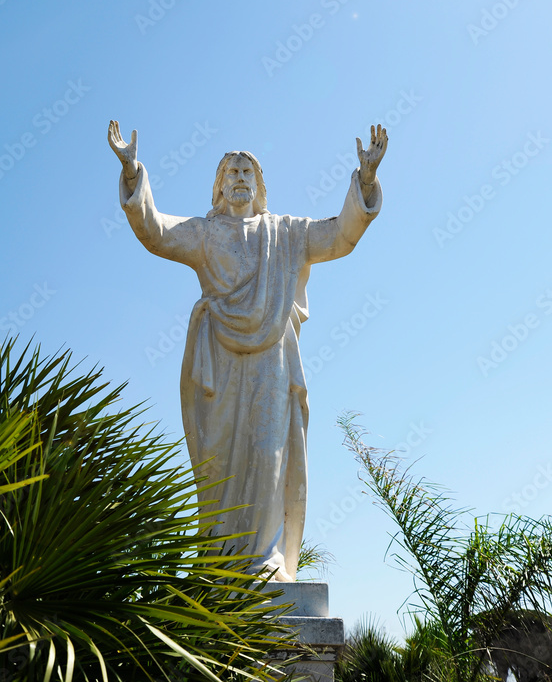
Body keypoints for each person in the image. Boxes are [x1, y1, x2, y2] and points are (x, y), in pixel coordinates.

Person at [108, 120, 387, 581]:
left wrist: (367, 181)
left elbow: (339, 236)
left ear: (259, 187)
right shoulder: (203, 233)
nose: (239, 178)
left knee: (266, 454)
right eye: (230, 172)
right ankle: (219, 565)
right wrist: (134, 172)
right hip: (218, 363)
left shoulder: (288, 234)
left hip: (271, 364)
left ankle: (264, 562)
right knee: (218, 460)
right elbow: (155, 231)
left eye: (247, 173)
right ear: (218, 188)